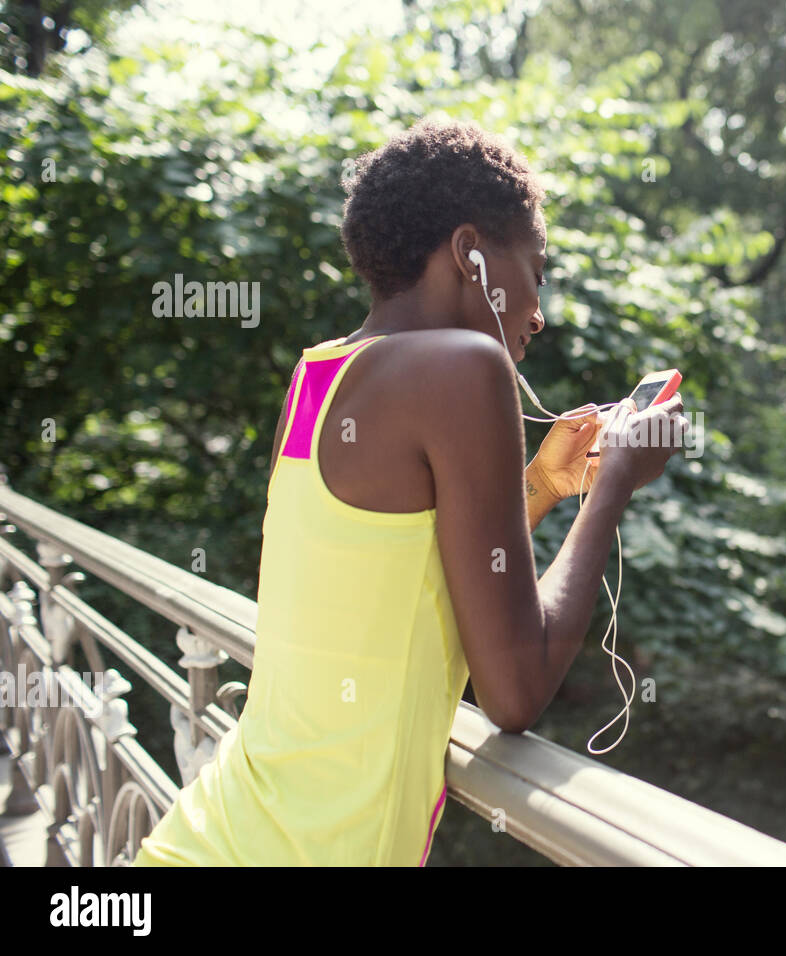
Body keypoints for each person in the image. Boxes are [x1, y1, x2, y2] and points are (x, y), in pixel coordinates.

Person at [132, 118, 687, 866]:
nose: (539, 311)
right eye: (537, 270)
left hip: (209, 838)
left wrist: (546, 485)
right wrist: (613, 483)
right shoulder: (463, 367)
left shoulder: (318, 375)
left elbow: (407, 569)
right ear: (471, 255)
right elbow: (515, 689)